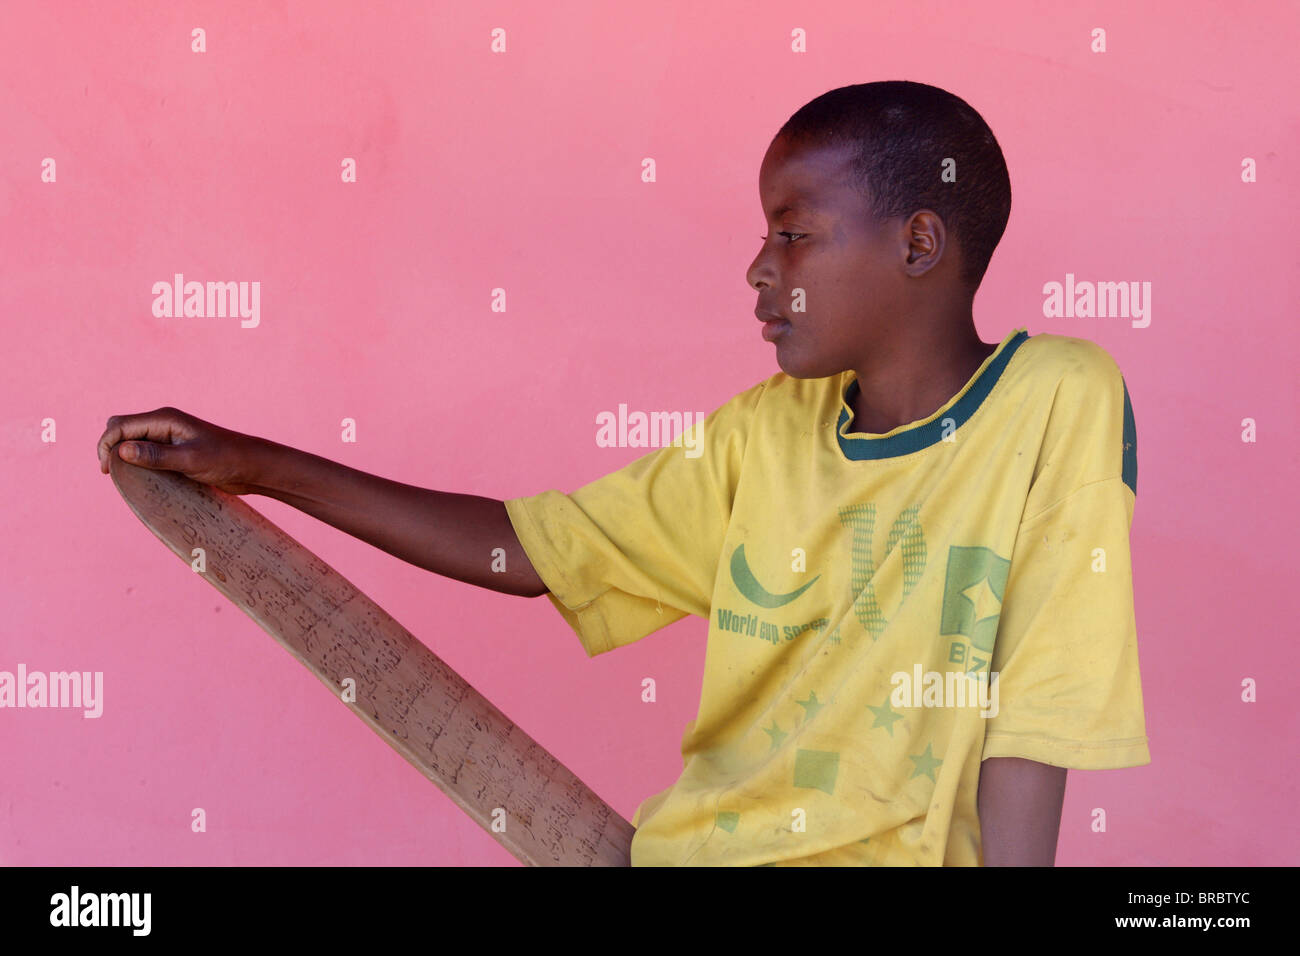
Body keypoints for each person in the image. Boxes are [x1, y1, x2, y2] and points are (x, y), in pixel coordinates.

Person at [97, 80, 1149, 866]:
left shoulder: (1057, 397)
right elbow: (533, 549)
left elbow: (1038, 707)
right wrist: (262, 465)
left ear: (919, 241)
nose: (757, 268)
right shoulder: (761, 436)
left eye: (792, 233)